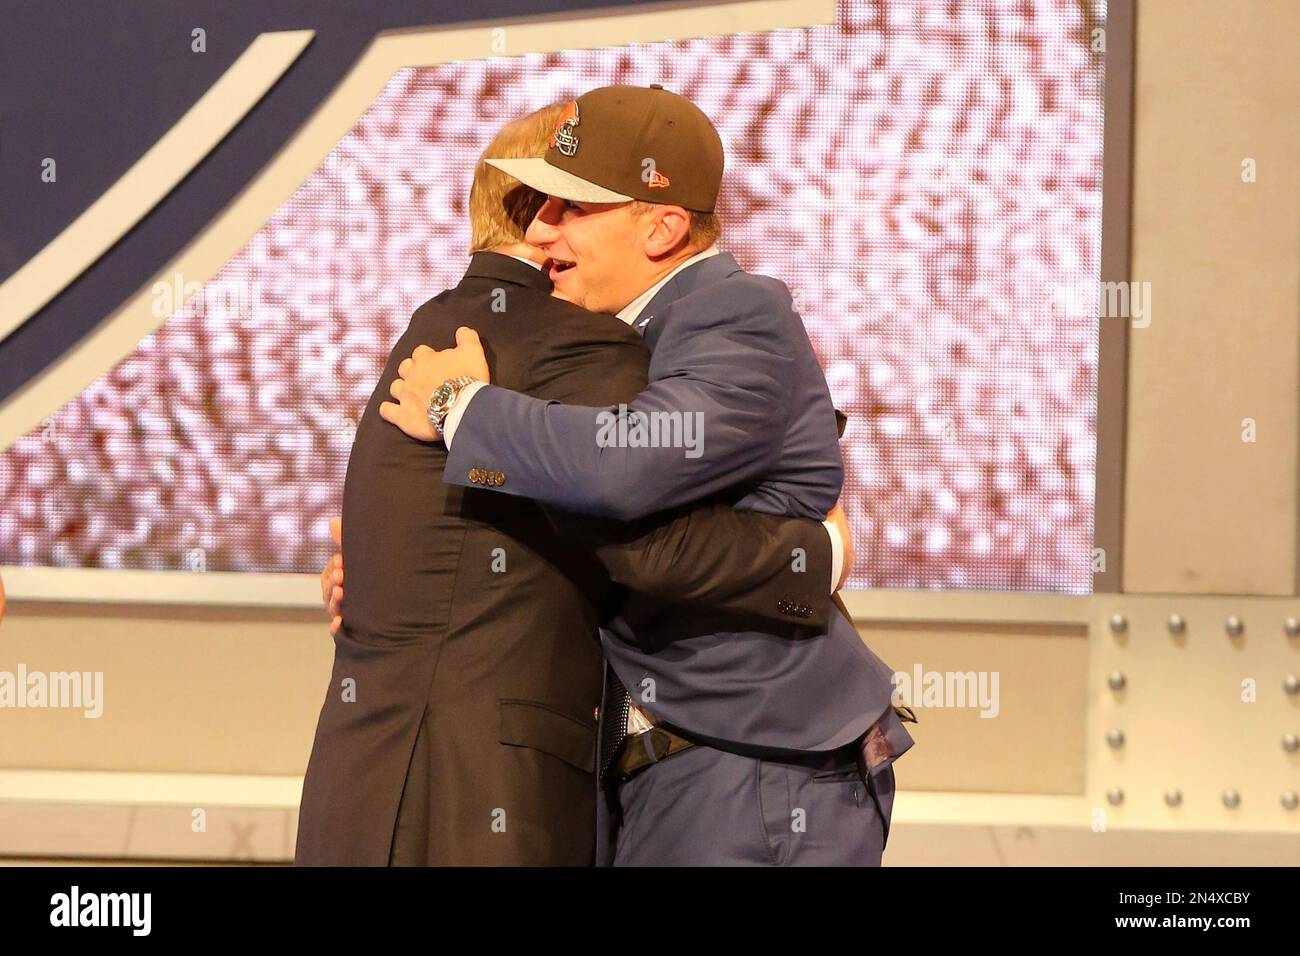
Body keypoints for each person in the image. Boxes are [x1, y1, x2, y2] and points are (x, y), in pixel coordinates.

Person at [296, 102, 850, 866]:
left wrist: (463, 407)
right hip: (661, 771)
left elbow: (624, 478)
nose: (545, 231)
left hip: (748, 760)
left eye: (574, 207)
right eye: (540, 205)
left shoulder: (732, 315)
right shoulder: (596, 339)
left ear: (660, 229)